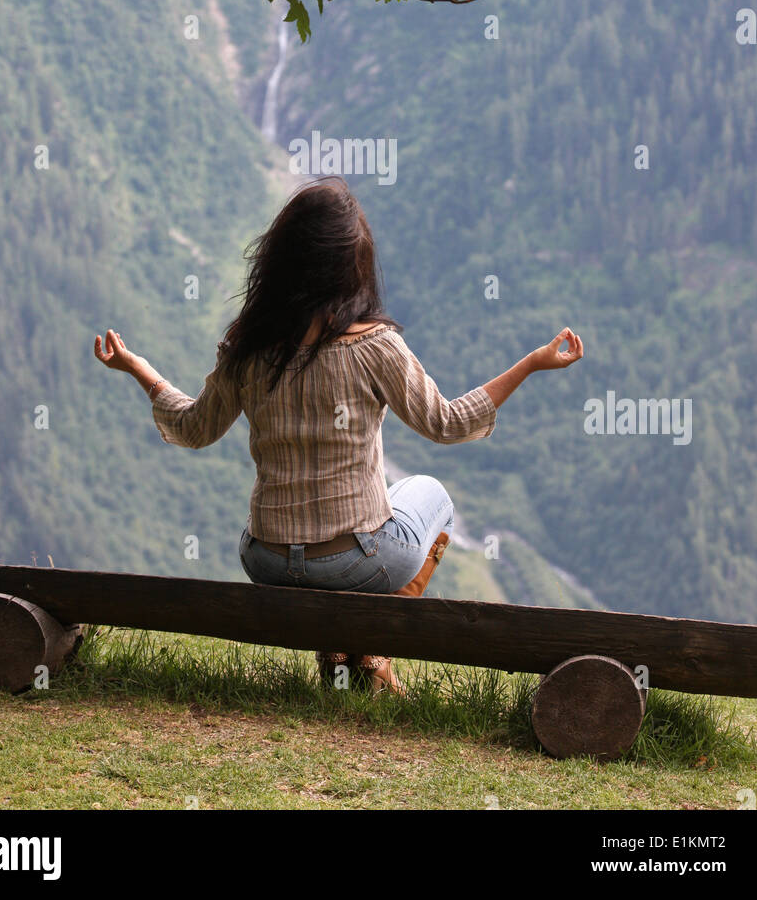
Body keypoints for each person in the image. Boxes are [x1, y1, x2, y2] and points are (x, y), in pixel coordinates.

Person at [94, 176, 583, 694]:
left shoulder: (248, 348)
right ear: (354, 269)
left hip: (268, 560)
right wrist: (531, 363)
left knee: (381, 508)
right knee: (432, 496)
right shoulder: (377, 348)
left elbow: (193, 428)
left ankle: (339, 653)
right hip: (356, 562)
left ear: (279, 262)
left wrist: (140, 370)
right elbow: (448, 423)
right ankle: (372, 650)